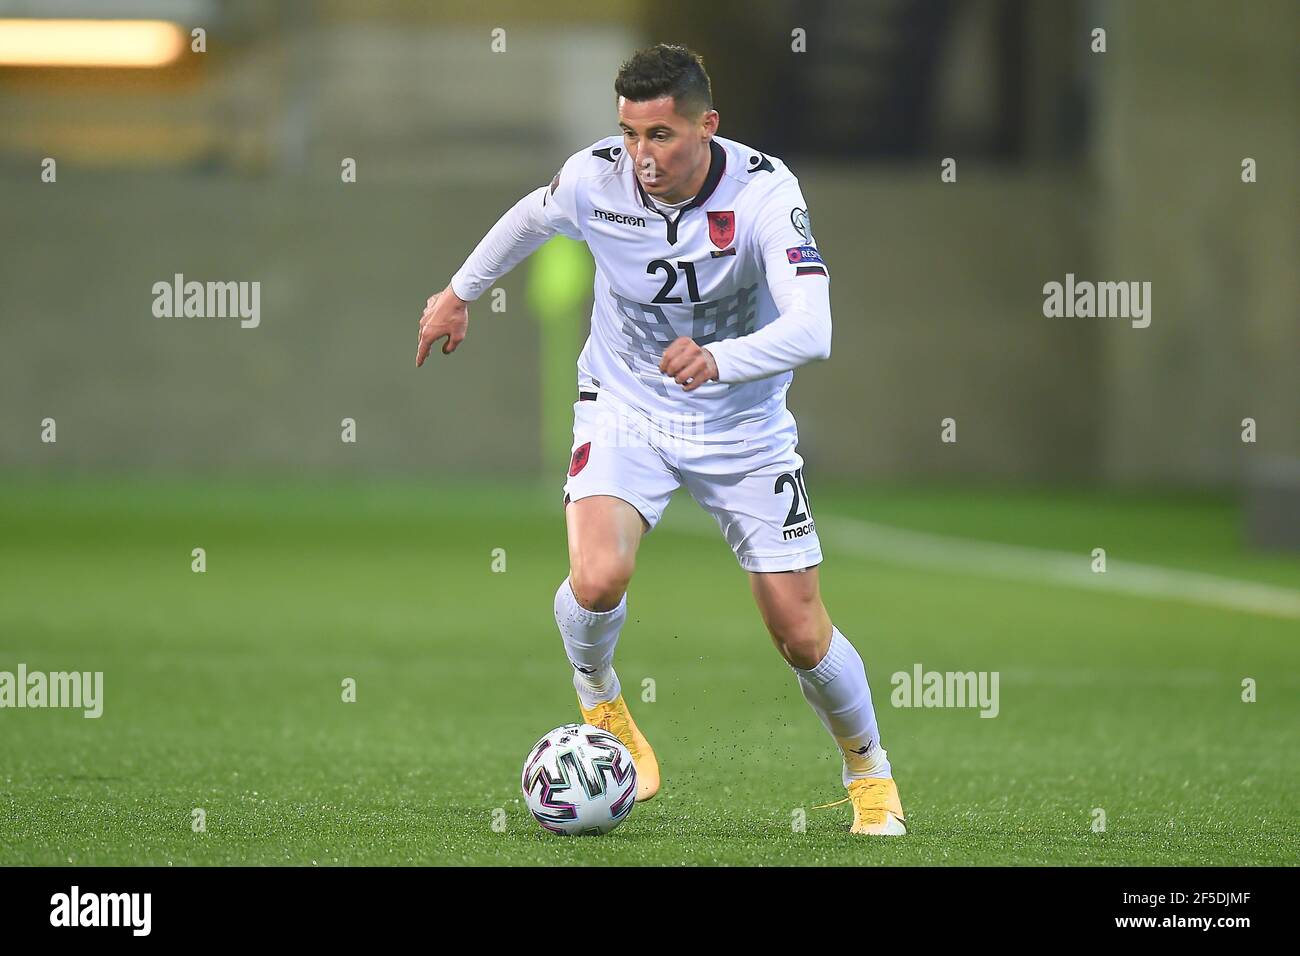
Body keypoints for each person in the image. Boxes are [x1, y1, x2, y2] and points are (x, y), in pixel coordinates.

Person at [417, 43, 904, 835]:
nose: (641, 156)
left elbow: (813, 329)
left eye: (661, 136)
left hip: (741, 425)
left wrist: (720, 360)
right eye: (630, 133)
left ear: (707, 127)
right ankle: (600, 699)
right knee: (597, 576)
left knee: (799, 631)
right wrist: (458, 292)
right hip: (625, 406)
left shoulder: (764, 193)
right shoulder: (596, 178)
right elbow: (532, 216)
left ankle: (869, 774)